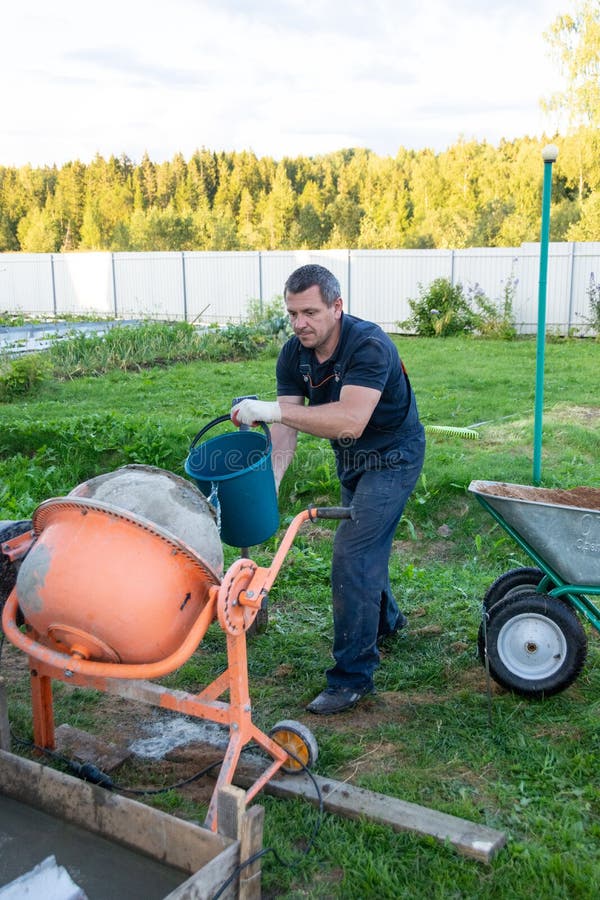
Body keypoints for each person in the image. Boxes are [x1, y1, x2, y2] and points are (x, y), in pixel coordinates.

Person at [231, 264, 425, 715]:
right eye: (293, 313)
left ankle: (351, 678)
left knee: (353, 553)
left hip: (394, 455)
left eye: (311, 312)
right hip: (352, 458)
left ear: (337, 307)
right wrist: (271, 484)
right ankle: (386, 622)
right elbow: (285, 430)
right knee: (367, 546)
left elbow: (349, 419)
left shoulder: (369, 346)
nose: (300, 323)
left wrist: (270, 411)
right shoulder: (293, 355)